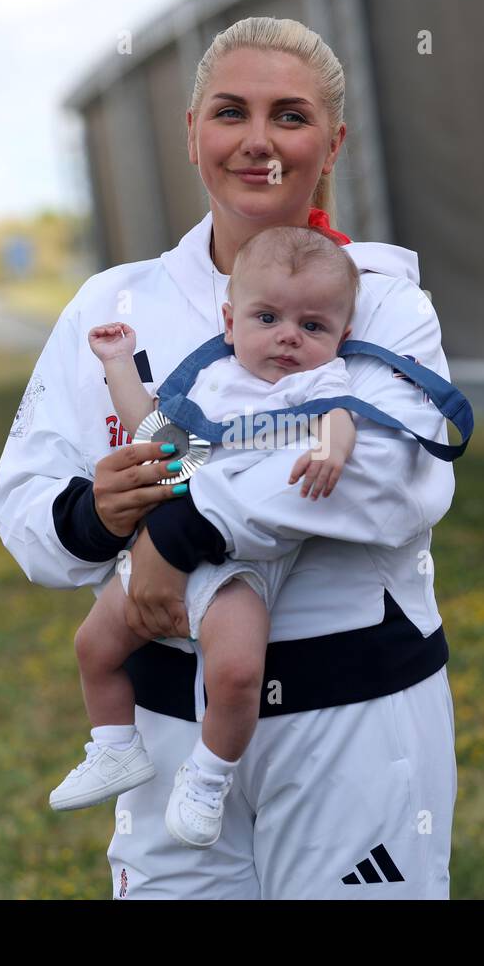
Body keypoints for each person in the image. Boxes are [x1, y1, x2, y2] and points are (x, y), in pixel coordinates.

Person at [0, 16, 458, 898]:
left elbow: (399, 478)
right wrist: (101, 510)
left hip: (352, 712)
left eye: (290, 116)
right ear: (192, 131)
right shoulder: (113, 302)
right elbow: (25, 507)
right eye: (230, 112)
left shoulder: (389, 303)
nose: (258, 142)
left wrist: (179, 531)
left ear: (334, 143)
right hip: (168, 720)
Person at [47, 225, 361, 851]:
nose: (289, 337)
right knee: (93, 646)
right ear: (229, 321)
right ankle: (115, 746)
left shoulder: (315, 385)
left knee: (239, 672)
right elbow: (157, 435)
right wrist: (117, 365)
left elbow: (343, 418)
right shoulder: (211, 381)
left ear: (342, 338)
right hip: (162, 543)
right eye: (267, 316)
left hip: (232, 565)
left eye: (314, 326)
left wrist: (330, 449)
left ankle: (209, 777)